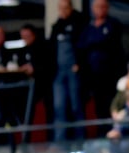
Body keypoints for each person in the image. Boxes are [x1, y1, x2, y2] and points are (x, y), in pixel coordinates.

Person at [50, 0, 86, 142]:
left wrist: (79, 64)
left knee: (76, 106)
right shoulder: (57, 26)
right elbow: (51, 49)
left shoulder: (80, 23)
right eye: (61, 8)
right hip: (59, 72)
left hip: (73, 70)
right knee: (59, 107)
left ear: (71, 8)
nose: (63, 11)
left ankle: (80, 140)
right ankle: (60, 141)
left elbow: (84, 46)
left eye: (65, 8)